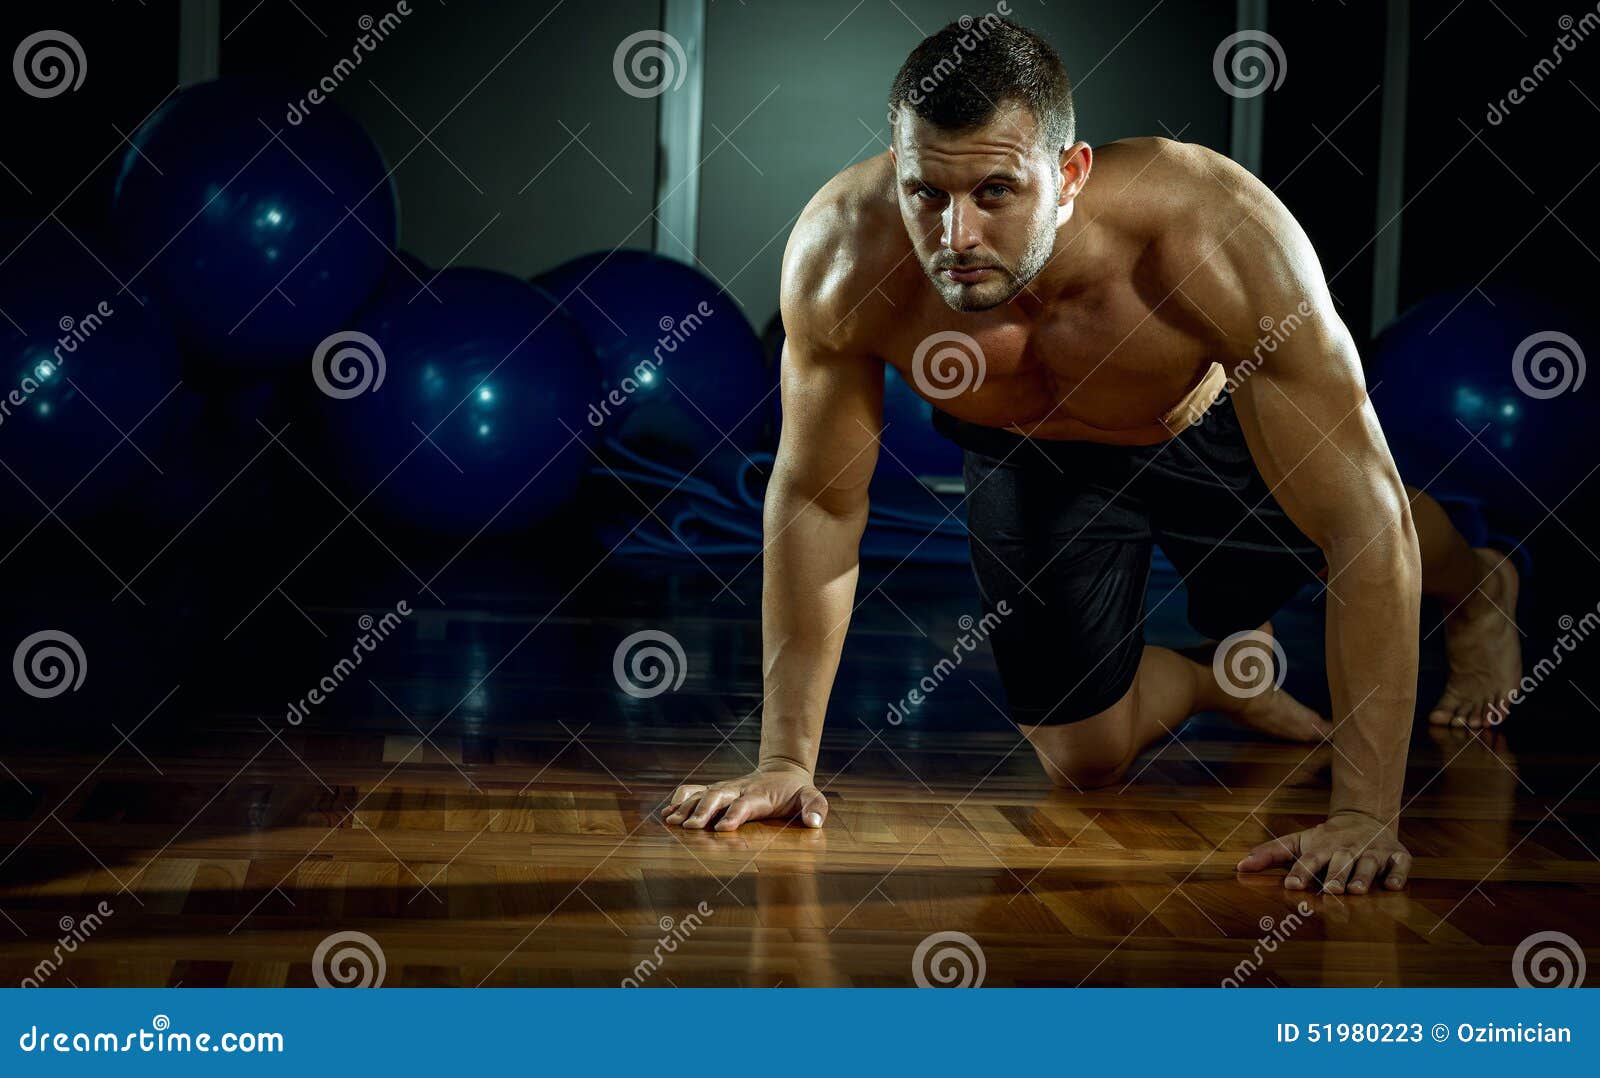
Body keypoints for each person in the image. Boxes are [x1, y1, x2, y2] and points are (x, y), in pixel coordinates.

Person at [664, 19, 1522, 896]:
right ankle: (1218, 681)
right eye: (926, 192)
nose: (956, 234)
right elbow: (820, 502)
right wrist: (782, 761)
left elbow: (1363, 519)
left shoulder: (1206, 227)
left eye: (997, 190)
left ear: (1068, 176)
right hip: (1030, 458)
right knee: (1085, 757)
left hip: (1207, 426)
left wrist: (1365, 816)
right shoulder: (845, 256)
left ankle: (1479, 590)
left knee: (1364, 516)